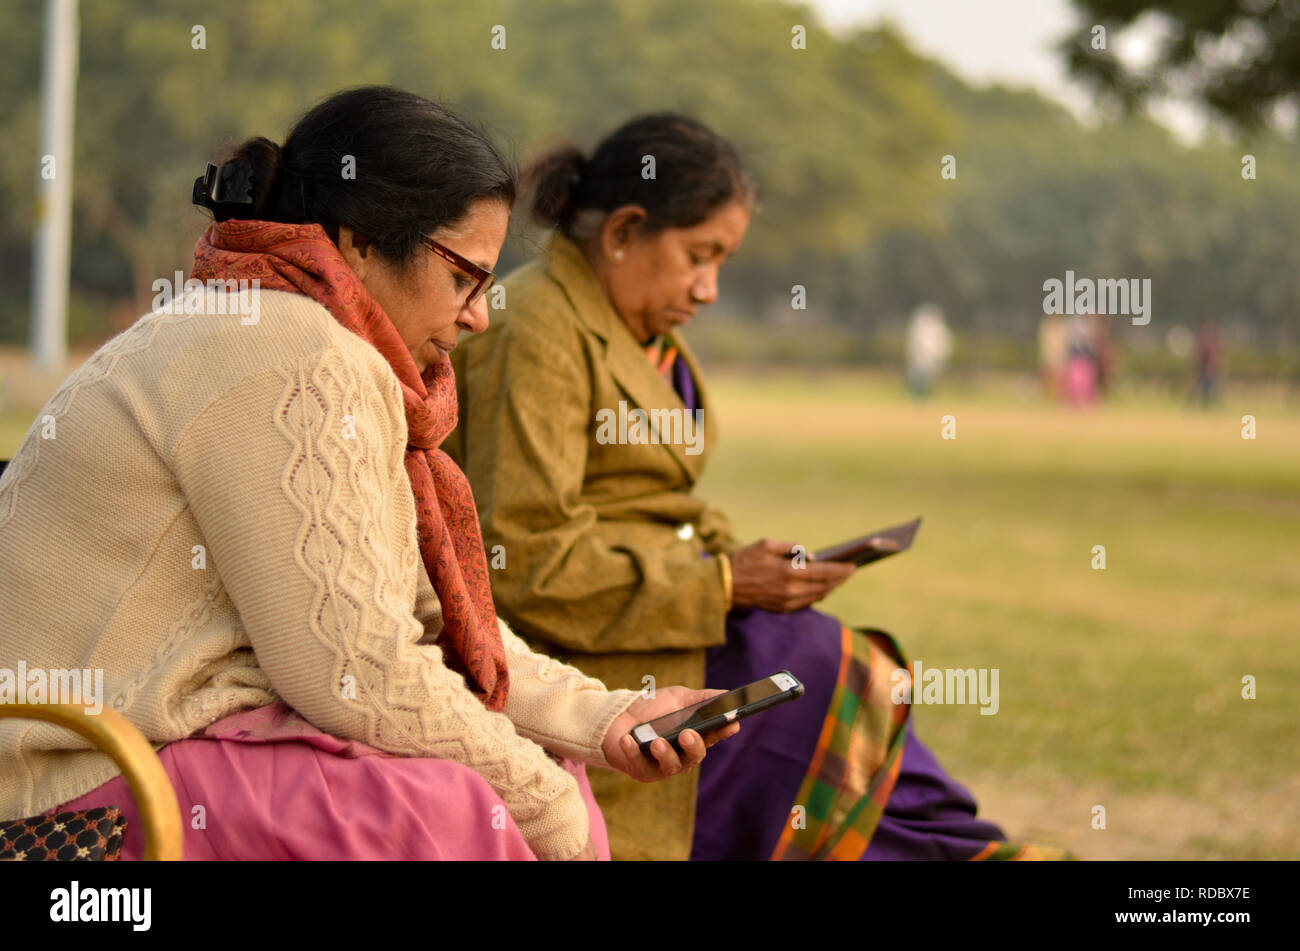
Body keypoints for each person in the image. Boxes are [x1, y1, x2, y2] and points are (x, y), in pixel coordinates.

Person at [0, 87, 738, 862]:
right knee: (444, 810)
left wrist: (605, 719)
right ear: (357, 243)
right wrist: (557, 819)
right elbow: (355, 669)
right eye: (465, 278)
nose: (481, 315)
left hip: (139, 739)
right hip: (61, 782)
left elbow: (434, 630)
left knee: (528, 783)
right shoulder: (295, 351)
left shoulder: (289, 325)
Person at [447, 114, 1073, 861]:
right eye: (698, 257)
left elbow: (656, 501)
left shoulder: (637, 328)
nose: (708, 289)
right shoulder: (536, 331)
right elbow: (524, 562)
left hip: (670, 619)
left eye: (722, 262)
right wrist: (720, 582)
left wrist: (748, 564)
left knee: (848, 680)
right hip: (588, 648)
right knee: (826, 674)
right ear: (623, 232)